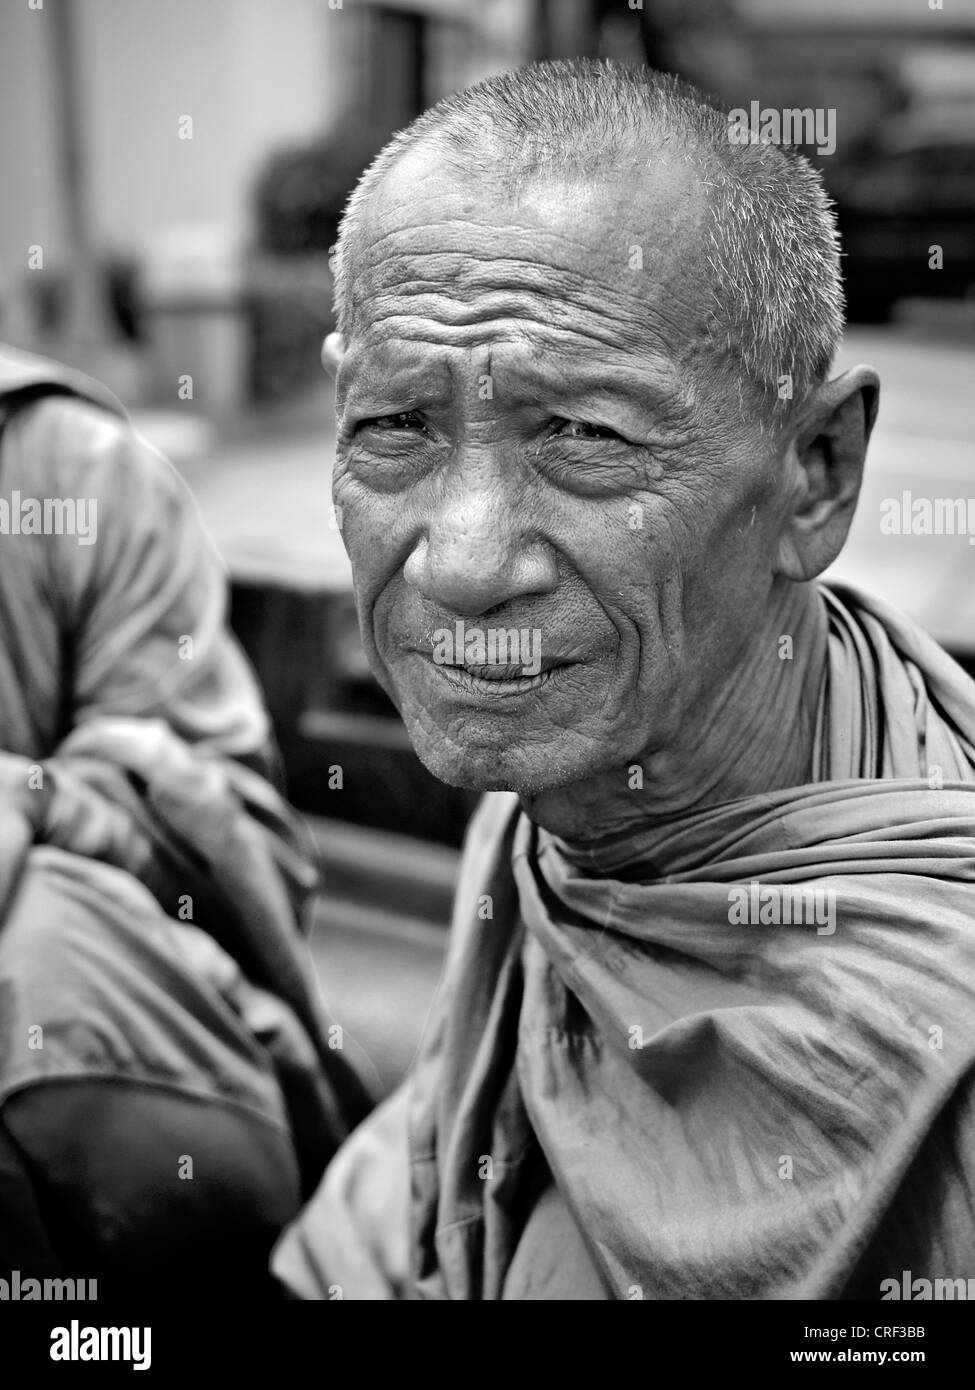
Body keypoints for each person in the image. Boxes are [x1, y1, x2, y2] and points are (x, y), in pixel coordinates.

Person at [273, 58, 975, 1300]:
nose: (467, 563)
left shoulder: (938, 999)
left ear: (815, 474)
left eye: (585, 436)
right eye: (396, 427)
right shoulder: (564, 804)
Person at [0, 343, 373, 1298]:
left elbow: (205, 812)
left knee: (42, 961)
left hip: (123, 978)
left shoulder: (73, 469)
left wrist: (28, 802)